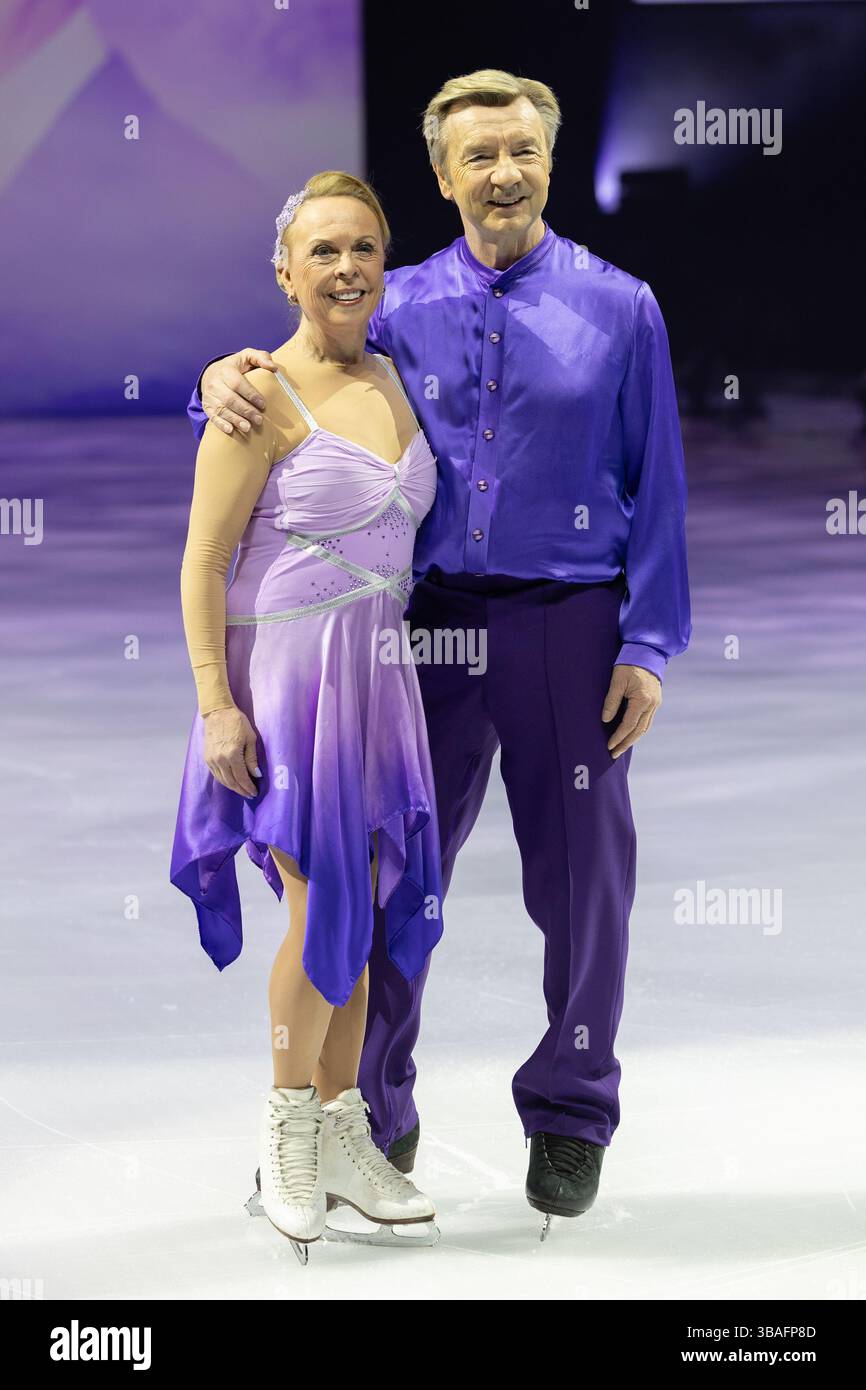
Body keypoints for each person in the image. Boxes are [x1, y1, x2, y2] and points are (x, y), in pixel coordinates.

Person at [187, 69, 692, 1229]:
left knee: (584, 885)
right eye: (478, 156)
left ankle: (569, 1110)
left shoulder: (621, 307)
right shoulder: (397, 301)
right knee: (391, 875)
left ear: (548, 162)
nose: (501, 173)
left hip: (571, 627)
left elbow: (655, 480)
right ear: (443, 175)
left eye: (519, 150)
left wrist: (649, 641)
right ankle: (368, 1104)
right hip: (421, 628)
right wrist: (216, 380)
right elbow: (290, 384)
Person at [170, 171, 443, 1254]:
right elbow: (200, 562)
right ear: (284, 269)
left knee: (364, 907)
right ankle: (287, 1131)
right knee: (317, 894)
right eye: (322, 250)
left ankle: (341, 1134)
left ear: (385, 264)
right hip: (290, 684)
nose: (344, 268)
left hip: (380, 679)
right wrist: (213, 706)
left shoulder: (396, 374)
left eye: (363, 249)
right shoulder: (251, 394)